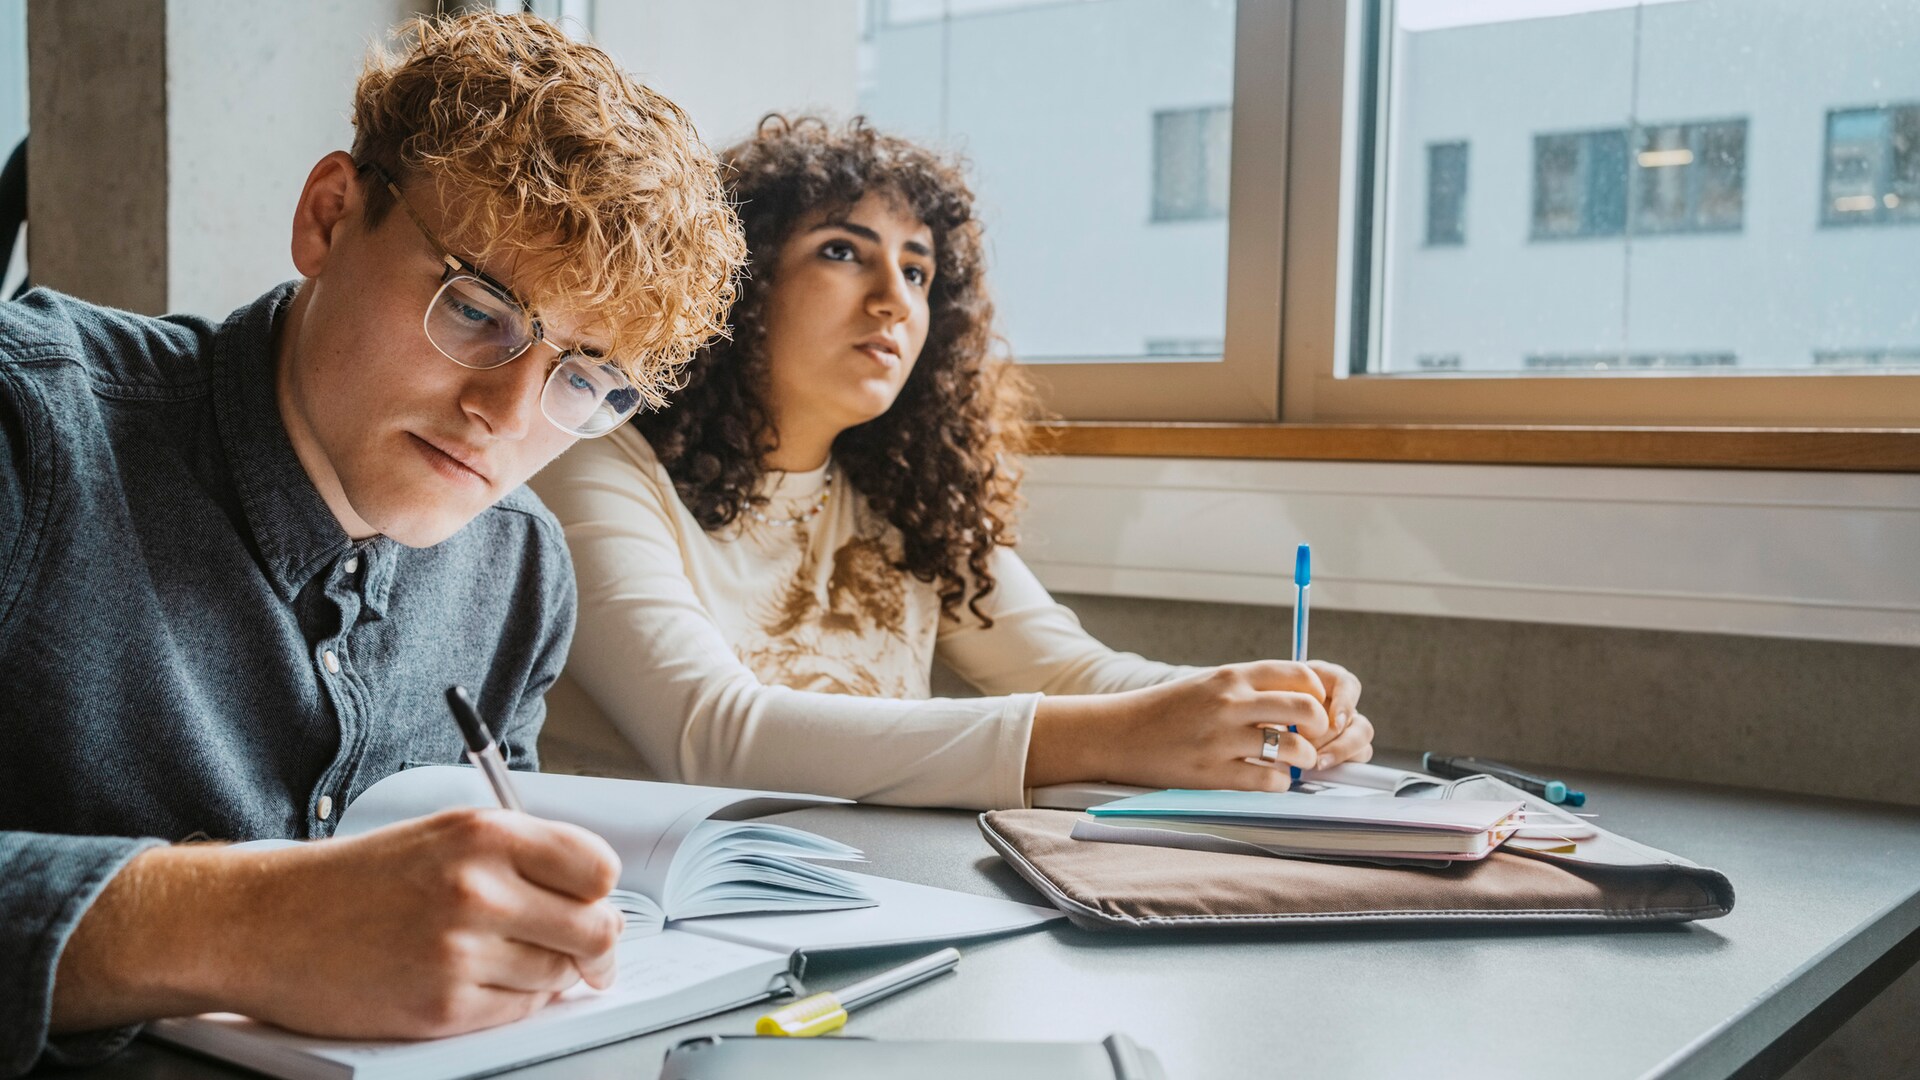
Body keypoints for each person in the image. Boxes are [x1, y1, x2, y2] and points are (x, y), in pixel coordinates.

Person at [0, 12, 743, 1074]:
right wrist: (236, 925)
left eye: (583, 379)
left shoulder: (521, 573)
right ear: (329, 217)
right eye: (480, 308)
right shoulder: (29, 429)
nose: (504, 414)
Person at [531, 116, 1374, 811]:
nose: (895, 298)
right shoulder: (596, 461)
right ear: (733, 283)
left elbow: (1078, 672)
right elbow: (713, 733)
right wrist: (1128, 731)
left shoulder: (905, 497)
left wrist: (1265, 704)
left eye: (918, 269)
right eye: (840, 251)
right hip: (657, 912)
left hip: (877, 890)